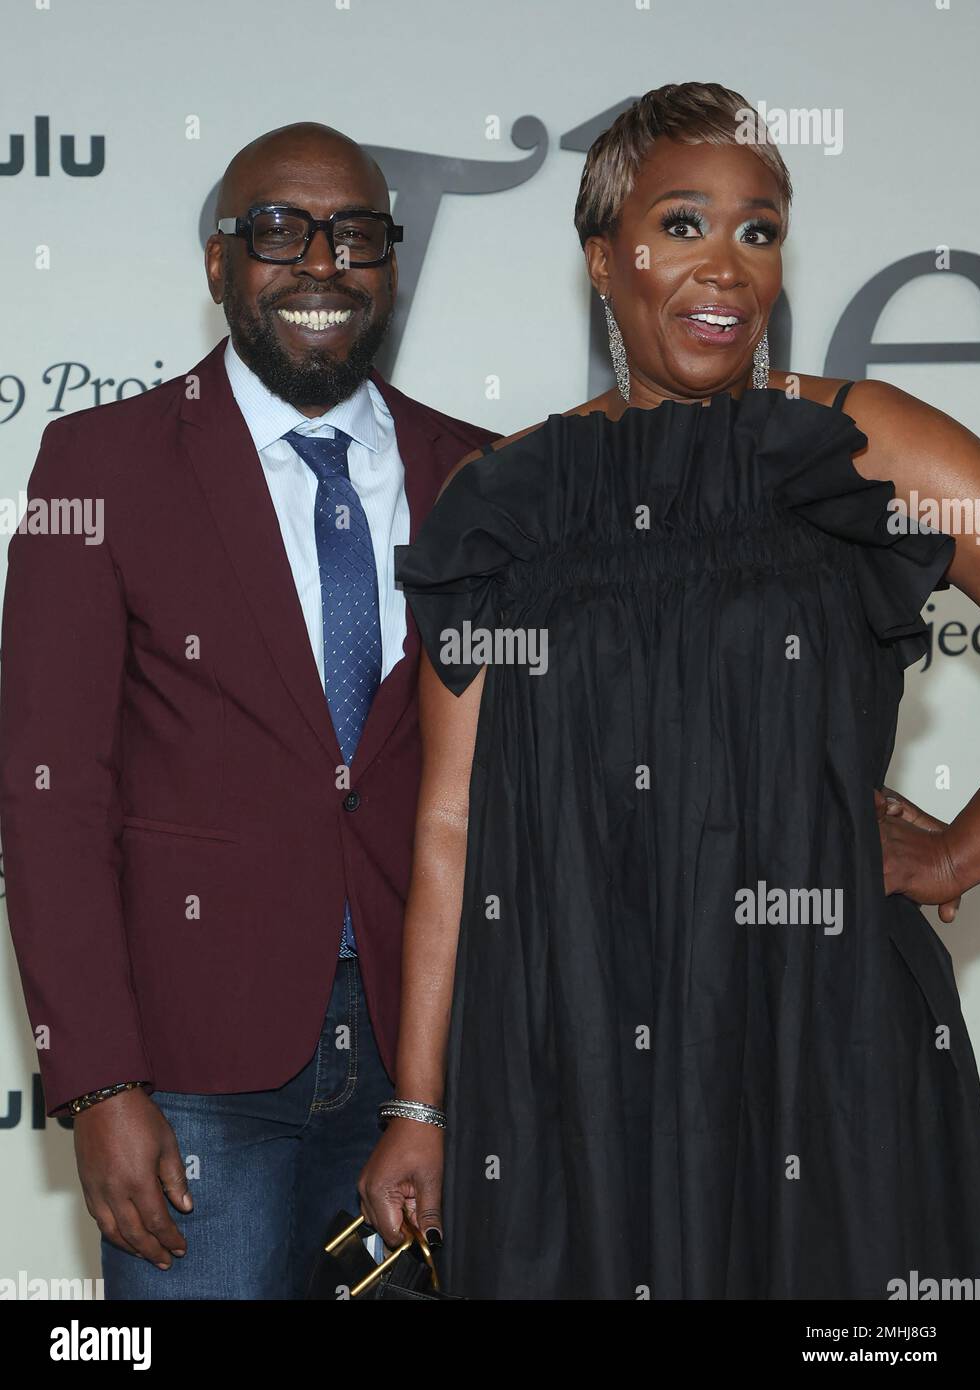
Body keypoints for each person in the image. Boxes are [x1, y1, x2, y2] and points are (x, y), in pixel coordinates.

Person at [359, 82, 980, 1299]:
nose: (729, 265)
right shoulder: (507, 499)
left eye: (760, 229)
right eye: (684, 223)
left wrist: (959, 855)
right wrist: (421, 1101)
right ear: (605, 255)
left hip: (819, 1023)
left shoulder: (860, 442)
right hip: (578, 1049)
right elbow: (451, 820)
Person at [0, 121, 498, 1299]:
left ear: (392, 262)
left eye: (357, 233)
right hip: (188, 1075)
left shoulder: (479, 473)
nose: (321, 262)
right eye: (278, 228)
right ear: (219, 263)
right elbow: (47, 793)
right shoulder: (99, 466)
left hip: (420, 1057)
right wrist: (101, 1083)